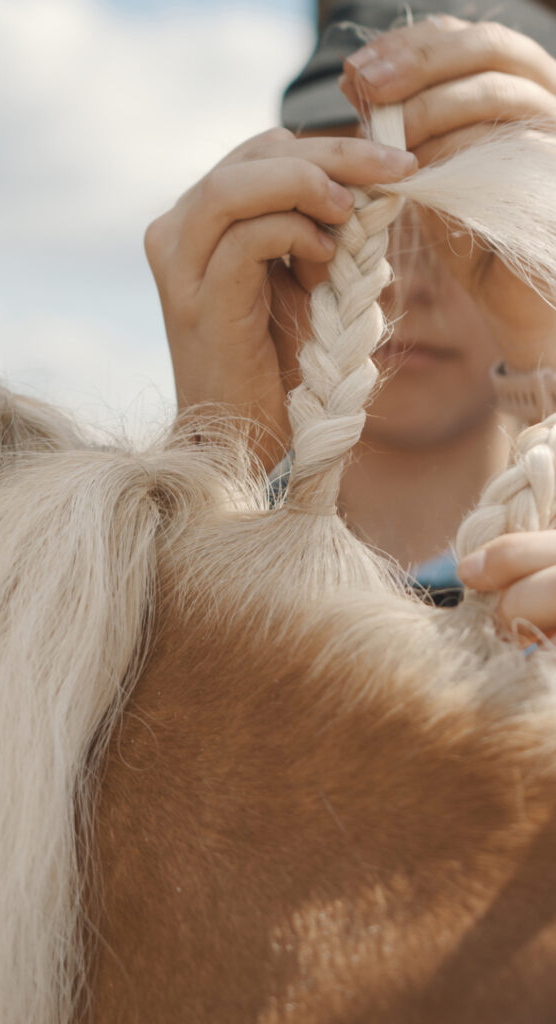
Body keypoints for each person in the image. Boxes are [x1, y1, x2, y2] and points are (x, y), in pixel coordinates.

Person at [145, 0, 556, 634]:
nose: (399, 281)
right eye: (352, 214)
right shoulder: (147, 583)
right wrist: (213, 464)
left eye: (472, 228)